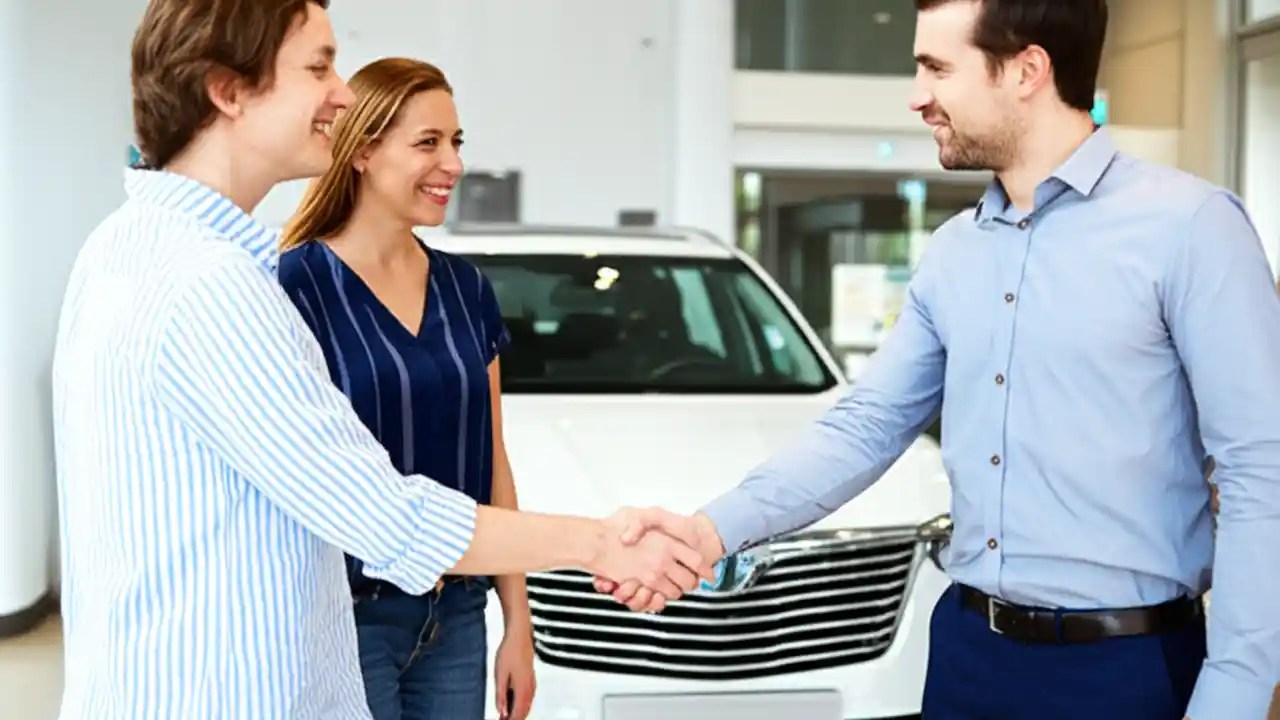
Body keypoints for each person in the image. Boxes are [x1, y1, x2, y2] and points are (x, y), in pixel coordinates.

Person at [600, 0, 1280, 718]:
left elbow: (1261, 471)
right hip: (966, 658)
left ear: (1027, 70)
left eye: (937, 68)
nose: (917, 95)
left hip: (1127, 669)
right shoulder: (956, 250)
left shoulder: (1191, 229)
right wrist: (708, 532)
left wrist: (1235, 691)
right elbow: (867, 425)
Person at [50, 2, 709, 719]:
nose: (341, 92)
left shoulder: (124, 249)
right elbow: (388, 518)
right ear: (228, 89)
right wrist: (602, 544)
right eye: (318, 65)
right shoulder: (213, 286)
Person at [275, 57, 532, 720]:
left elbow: (492, 459)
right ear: (361, 150)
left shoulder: (466, 289)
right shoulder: (297, 287)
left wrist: (518, 625)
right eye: (428, 143)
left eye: (456, 142)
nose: (452, 164)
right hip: (345, 617)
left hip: (457, 616)